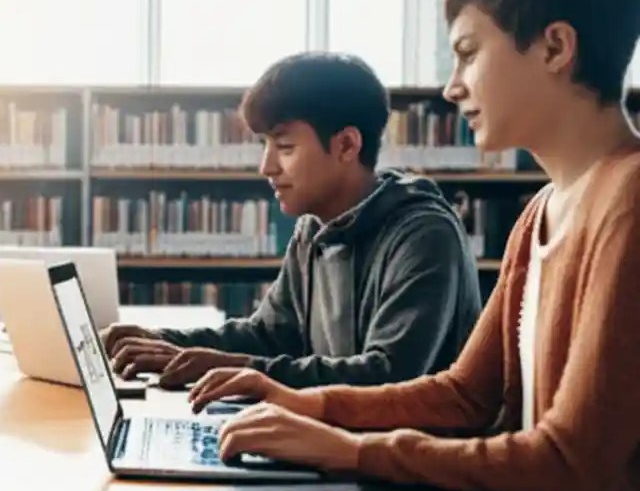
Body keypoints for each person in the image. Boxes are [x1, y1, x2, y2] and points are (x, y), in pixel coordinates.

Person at [188, 0, 640, 491]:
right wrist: (307, 402)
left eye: (469, 52)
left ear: (555, 47)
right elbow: (464, 396)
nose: (453, 87)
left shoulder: (628, 200)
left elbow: (568, 461)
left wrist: (351, 451)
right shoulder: (540, 212)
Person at [103, 52, 482, 390]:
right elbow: (270, 335)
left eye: (284, 147)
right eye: (265, 146)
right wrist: (164, 342)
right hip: (331, 439)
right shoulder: (314, 226)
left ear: (347, 145)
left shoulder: (424, 236)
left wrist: (240, 370)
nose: (266, 167)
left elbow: (388, 375)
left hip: (401, 459)